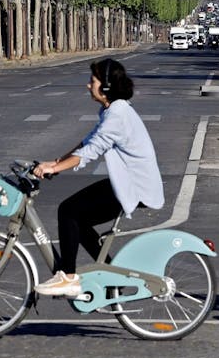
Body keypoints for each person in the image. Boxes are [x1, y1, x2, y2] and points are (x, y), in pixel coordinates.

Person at [31, 58, 165, 298]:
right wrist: (56, 162)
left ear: (105, 87)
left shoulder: (117, 115)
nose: (87, 85)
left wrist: (55, 169)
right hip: (127, 181)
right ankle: (113, 275)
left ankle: (68, 277)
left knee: (68, 211)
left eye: (92, 81)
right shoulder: (112, 109)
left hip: (133, 187)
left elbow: (90, 152)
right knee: (78, 219)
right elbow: (87, 142)